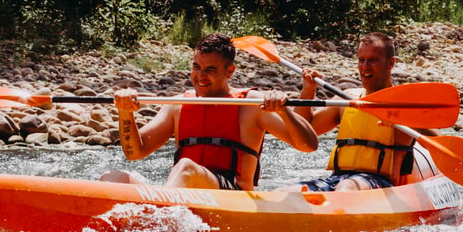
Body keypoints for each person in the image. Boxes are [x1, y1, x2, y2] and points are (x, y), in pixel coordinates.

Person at [100, 33, 318, 191]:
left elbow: (308, 146)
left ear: (229, 71)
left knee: (186, 167)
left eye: (210, 70)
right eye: (197, 67)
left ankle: (157, 220)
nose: (200, 76)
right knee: (112, 177)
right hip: (182, 191)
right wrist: (125, 113)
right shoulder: (177, 105)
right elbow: (135, 153)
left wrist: (284, 112)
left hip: (232, 194)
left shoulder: (252, 106)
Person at [292, 32, 438, 192]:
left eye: (373, 60)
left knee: (346, 188)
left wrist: (400, 118)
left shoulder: (405, 103)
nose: (365, 66)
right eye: (362, 60)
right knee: (289, 192)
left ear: (390, 63)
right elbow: (303, 135)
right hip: (337, 179)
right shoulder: (346, 99)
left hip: (381, 183)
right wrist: (308, 90)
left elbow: (436, 141)